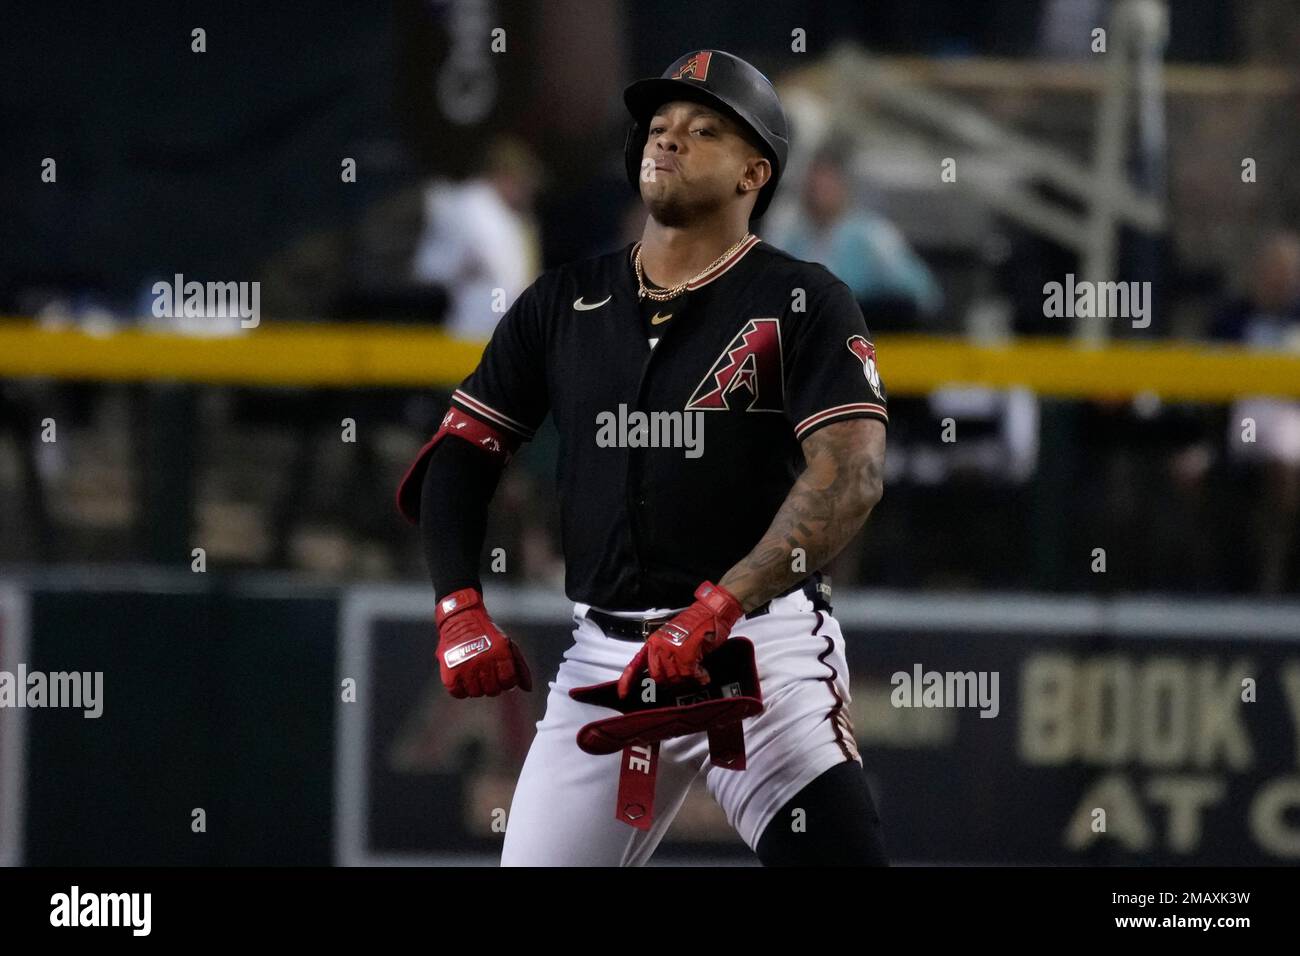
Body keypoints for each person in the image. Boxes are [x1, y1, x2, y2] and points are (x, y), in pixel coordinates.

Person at [397, 50, 889, 866]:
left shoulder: (801, 299)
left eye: (702, 129)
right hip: (608, 654)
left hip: (755, 650)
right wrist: (457, 605)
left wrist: (720, 607)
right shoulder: (563, 301)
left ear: (754, 172)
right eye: (658, 126)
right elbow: (462, 452)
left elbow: (851, 474)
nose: (667, 140)